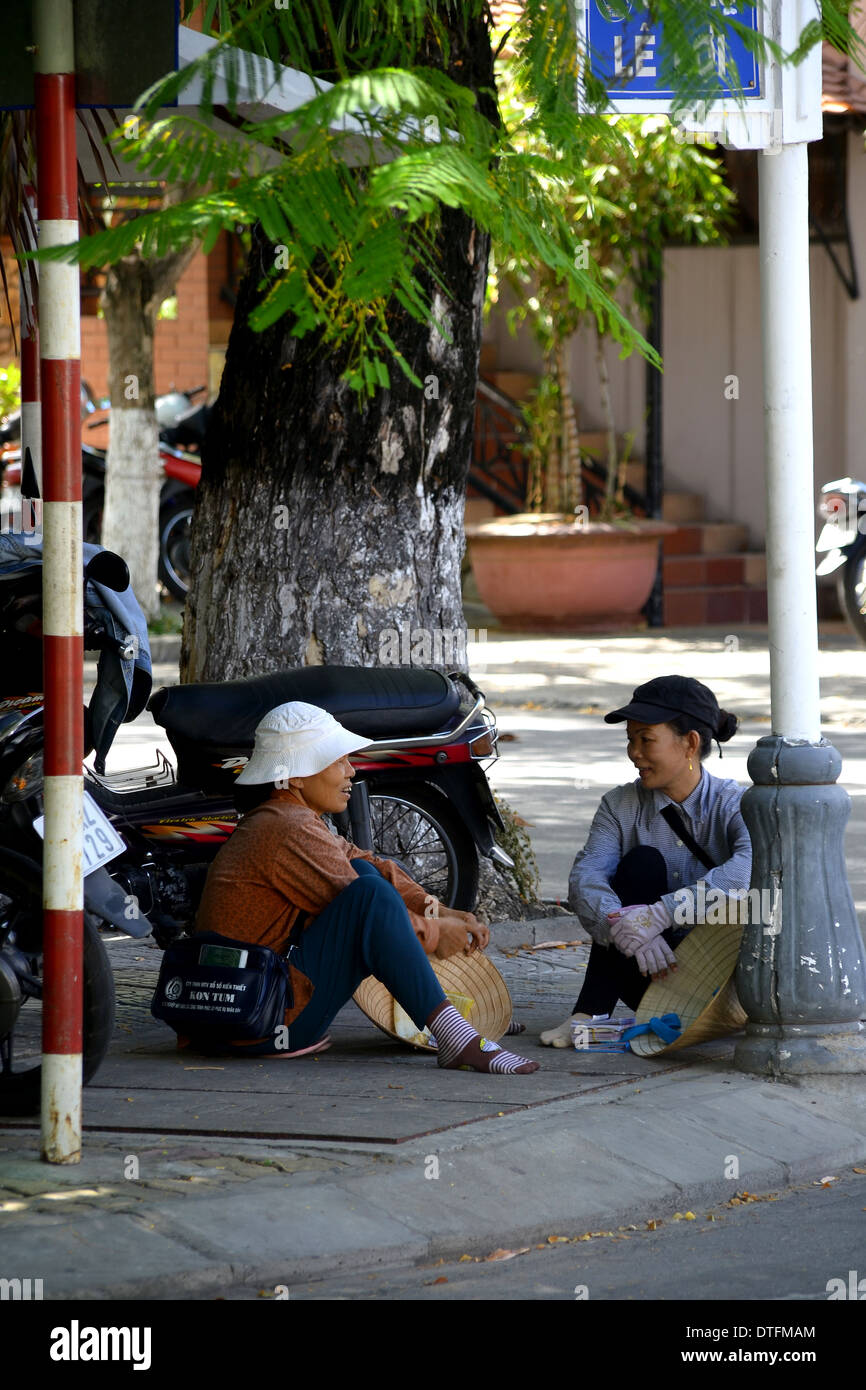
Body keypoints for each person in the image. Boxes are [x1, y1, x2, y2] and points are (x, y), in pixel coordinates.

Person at [194, 700, 539, 1074]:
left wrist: (434, 910)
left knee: (366, 874)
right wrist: (436, 933)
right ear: (295, 777)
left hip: (243, 1016)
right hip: (254, 1024)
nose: (351, 771)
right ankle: (456, 1036)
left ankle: (457, 1019)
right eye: (338, 761)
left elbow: (368, 863)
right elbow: (371, 911)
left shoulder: (284, 817)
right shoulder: (286, 828)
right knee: (368, 895)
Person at [540, 675, 751, 1047]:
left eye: (646, 739)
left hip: (722, 982)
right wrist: (625, 925)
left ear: (690, 743)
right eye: (630, 739)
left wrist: (661, 914)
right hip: (649, 971)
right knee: (642, 864)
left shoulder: (735, 804)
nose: (634, 752)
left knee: (647, 867)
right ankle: (590, 1013)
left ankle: (592, 1014)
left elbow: (748, 869)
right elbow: (585, 877)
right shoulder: (619, 805)